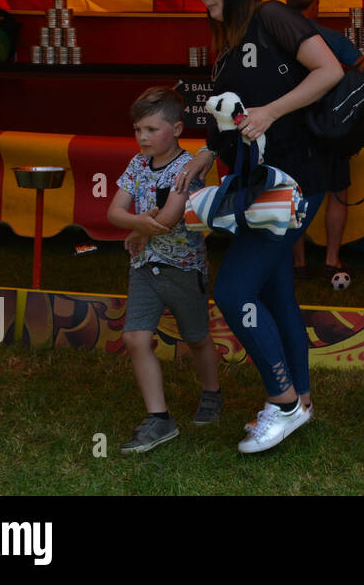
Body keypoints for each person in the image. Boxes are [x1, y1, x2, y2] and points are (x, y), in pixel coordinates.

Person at [173, 0, 344, 453]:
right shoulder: (226, 43)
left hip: (294, 181)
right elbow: (231, 117)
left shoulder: (271, 17)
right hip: (257, 184)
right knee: (273, 294)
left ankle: (283, 403)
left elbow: (328, 70)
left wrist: (270, 111)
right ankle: (303, 402)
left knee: (233, 291)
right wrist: (206, 151)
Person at [108, 87, 219, 454]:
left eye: (152, 129)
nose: (143, 137)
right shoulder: (136, 164)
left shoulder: (188, 169)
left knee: (197, 339)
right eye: (138, 129)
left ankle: (212, 392)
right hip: (143, 267)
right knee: (135, 338)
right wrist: (142, 223)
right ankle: (159, 418)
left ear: (176, 129)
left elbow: (170, 219)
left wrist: (137, 226)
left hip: (184, 269)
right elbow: (113, 212)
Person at [283, 0, 364, 282]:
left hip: (292, 124)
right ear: (316, 4)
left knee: (293, 194)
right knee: (337, 191)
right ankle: (331, 259)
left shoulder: (277, 37)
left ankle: (298, 263)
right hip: (330, 125)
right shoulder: (332, 38)